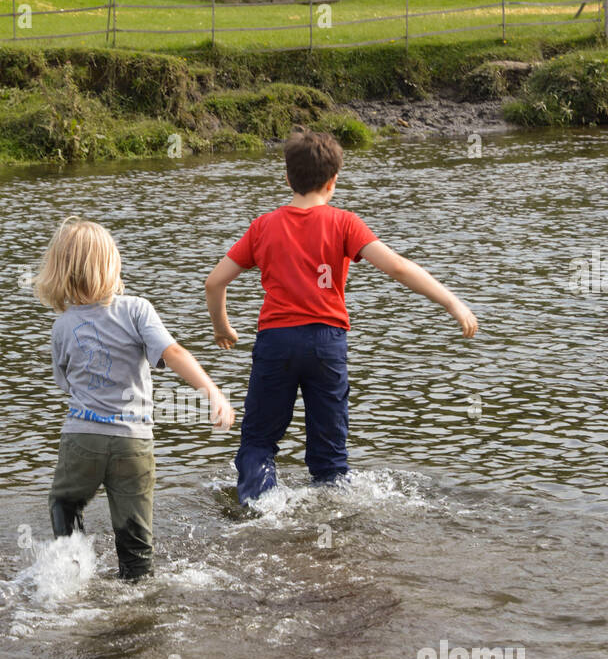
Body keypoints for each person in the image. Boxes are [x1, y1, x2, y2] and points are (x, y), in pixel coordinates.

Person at [203, 130, 478, 504]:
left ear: (287, 178)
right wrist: (452, 303)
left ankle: (260, 511)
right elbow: (397, 267)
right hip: (326, 345)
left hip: (277, 343)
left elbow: (215, 282)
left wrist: (222, 326)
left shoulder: (263, 227)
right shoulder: (345, 223)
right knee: (330, 456)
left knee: (259, 442)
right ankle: (334, 518)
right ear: (333, 182)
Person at [36, 217, 235, 580]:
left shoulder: (62, 325)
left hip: (83, 440)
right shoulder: (136, 309)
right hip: (134, 442)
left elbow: (64, 382)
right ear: (112, 264)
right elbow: (173, 353)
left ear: (60, 270)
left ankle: (72, 576)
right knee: (135, 536)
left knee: (64, 503)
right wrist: (213, 394)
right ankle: (138, 592)